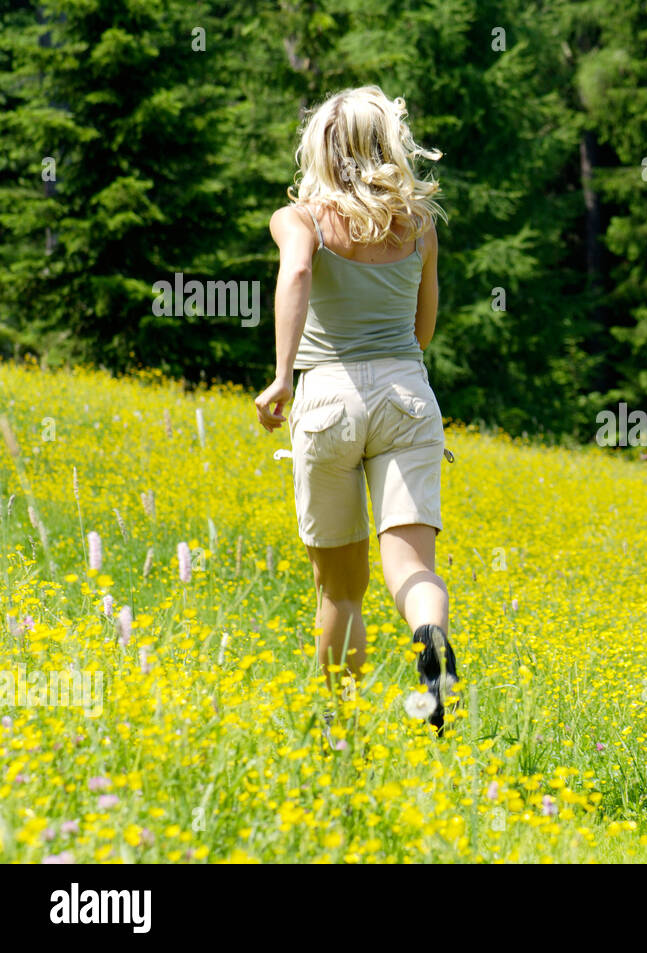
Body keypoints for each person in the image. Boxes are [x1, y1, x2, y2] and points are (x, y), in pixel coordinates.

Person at [253, 86, 457, 734]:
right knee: (412, 568)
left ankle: (342, 726)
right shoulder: (419, 224)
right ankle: (431, 636)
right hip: (407, 394)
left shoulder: (301, 219)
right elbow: (424, 328)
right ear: (387, 144)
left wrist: (282, 376)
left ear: (319, 146)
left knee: (341, 589)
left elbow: (297, 277)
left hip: (328, 402)